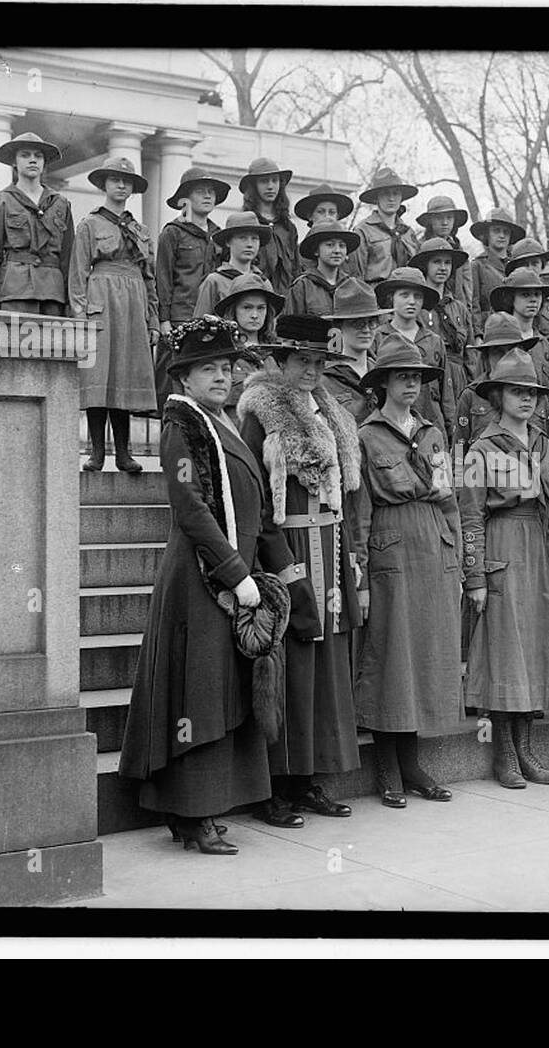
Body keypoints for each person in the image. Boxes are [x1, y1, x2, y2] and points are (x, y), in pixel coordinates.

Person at [117, 317, 272, 855]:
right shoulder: (182, 427)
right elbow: (189, 506)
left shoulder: (220, 422)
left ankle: (199, 813)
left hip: (231, 573)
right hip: (199, 578)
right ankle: (192, 813)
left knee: (216, 691)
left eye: (227, 367)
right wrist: (234, 572)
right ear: (184, 377)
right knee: (198, 694)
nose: (222, 376)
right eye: (208, 368)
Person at [237, 314, 364, 826]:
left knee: (325, 670)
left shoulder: (332, 413)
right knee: (287, 668)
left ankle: (309, 779)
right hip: (287, 546)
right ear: (280, 361)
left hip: (330, 546)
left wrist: (351, 558)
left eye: (318, 361)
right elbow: (253, 500)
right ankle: (274, 788)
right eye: (301, 361)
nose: (311, 370)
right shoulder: (260, 414)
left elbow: (344, 502)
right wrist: (282, 569)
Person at [460, 349, 549, 787]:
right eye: (516, 392)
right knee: (506, 654)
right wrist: (475, 576)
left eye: (531, 392)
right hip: (504, 548)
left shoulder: (545, 444)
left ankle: (527, 751)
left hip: (543, 551)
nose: (526, 400)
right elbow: (470, 516)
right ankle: (504, 756)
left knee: (537, 651)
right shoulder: (479, 449)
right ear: (498, 396)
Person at [352, 339, 462, 806]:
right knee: (390, 657)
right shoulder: (366, 436)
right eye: (403, 376)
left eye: (418, 376)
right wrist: (358, 574)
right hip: (390, 551)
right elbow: (359, 510)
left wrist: (456, 560)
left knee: (423, 656)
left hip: (433, 547)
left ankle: (413, 763)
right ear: (382, 385)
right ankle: (387, 766)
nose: (412, 383)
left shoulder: (433, 433)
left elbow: (451, 499)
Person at [68, 156, 158, 474]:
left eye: (126, 181)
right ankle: (96, 452)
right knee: (99, 376)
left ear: (132, 188)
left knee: (125, 375)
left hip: (133, 305)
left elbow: (150, 278)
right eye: (114, 180)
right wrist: (80, 316)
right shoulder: (90, 224)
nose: (121, 185)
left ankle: (124, 453)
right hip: (101, 301)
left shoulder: (141, 230)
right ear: (104, 185)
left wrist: (153, 321)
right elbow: (78, 273)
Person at [153, 167, 229, 412]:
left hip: (211, 319)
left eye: (211, 192)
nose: (208, 196)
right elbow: (162, 278)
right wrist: (164, 319)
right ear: (185, 198)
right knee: (176, 383)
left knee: (207, 379)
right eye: (200, 192)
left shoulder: (219, 236)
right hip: (180, 319)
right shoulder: (172, 233)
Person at [0, 131, 74, 315]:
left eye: (38, 156)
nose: (33, 160)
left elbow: (68, 256)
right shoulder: (2, 201)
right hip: (16, 293)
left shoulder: (60, 204)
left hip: (53, 295)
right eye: (25, 155)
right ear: (14, 162)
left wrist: (71, 302)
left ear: (44, 162)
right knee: (17, 344)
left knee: (52, 344)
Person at [489, 268, 549, 458]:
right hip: (500, 440)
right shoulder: (497, 342)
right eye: (525, 294)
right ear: (511, 299)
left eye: (537, 294)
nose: (533, 300)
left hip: (539, 436)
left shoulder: (545, 347)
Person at [373, 266, 453, 439]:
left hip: (432, 425)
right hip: (392, 428)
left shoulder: (434, 341)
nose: (412, 301)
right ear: (391, 299)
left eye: (417, 296)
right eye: (404, 295)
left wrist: (450, 429)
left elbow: (446, 393)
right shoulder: (378, 338)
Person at [453, 312, 543, 455]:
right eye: (498, 352)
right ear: (486, 356)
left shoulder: (534, 392)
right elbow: (459, 452)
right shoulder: (471, 395)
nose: (506, 358)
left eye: (512, 350)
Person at [411, 237, 473, 408]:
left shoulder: (459, 308)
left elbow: (470, 355)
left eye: (447, 262)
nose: (443, 267)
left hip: (458, 379)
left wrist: (471, 386)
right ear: (425, 265)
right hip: (427, 379)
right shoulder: (418, 307)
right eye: (436, 262)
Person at [212, 274, 284, 419]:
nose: (255, 315)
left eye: (261, 308)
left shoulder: (277, 351)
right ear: (234, 310)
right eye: (247, 307)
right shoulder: (223, 351)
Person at [320, 277, 385, 423]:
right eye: (358, 323)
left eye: (372, 322)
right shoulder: (325, 379)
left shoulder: (382, 373)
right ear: (339, 326)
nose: (367, 330)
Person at [239, 157, 300, 300]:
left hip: (287, 303)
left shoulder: (288, 228)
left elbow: (296, 270)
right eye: (264, 181)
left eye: (275, 180)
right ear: (253, 186)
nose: (271, 186)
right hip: (254, 300)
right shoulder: (244, 224)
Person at [348, 167, 421, 284]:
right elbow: (356, 275)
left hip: (406, 294)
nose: (391, 198)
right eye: (385, 193)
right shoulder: (363, 230)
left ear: (401, 197)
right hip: (375, 295)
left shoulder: (408, 232)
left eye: (396, 193)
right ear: (377, 198)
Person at [193, 211, 273, 317]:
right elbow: (199, 325)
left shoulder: (263, 282)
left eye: (254, 239)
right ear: (228, 242)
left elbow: (270, 324)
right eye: (242, 238)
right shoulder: (214, 281)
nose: (249, 244)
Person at [505, 237, 549, 356]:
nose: (530, 269)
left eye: (535, 263)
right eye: (524, 264)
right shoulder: (507, 296)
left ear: (542, 266)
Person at [468, 208, 525, 338]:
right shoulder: (477, 266)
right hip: (489, 330)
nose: (501, 235)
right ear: (487, 234)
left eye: (506, 232)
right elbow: (474, 304)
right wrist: (478, 335)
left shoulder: (518, 267)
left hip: (517, 329)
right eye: (496, 231)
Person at [284, 221, 358, 317]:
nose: (337, 251)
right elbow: (289, 326)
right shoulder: (302, 287)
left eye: (342, 246)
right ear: (316, 250)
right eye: (330, 245)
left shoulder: (352, 285)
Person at [415, 194, 474, 312]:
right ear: (430, 221)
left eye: (449, 218)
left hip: (456, 307)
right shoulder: (419, 248)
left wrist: (467, 309)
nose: (445, 222)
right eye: (439, 218)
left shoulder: (458, 249)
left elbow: (467, 284)